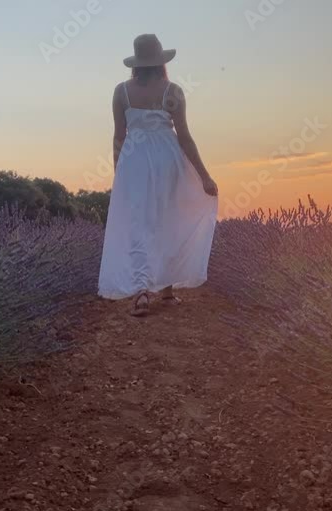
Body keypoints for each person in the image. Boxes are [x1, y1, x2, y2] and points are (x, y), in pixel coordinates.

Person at [97, 34, 219, 316]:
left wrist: (119, 173)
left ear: (136, 63)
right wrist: (204, 176)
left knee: (140, 223)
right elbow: (185, 137)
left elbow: (118, 136)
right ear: (161, 61)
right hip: (167, 158)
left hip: (134, 160)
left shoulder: (121, 91)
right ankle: (166, 290)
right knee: (168, 219)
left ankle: (142, 292)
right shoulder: (172, 90)